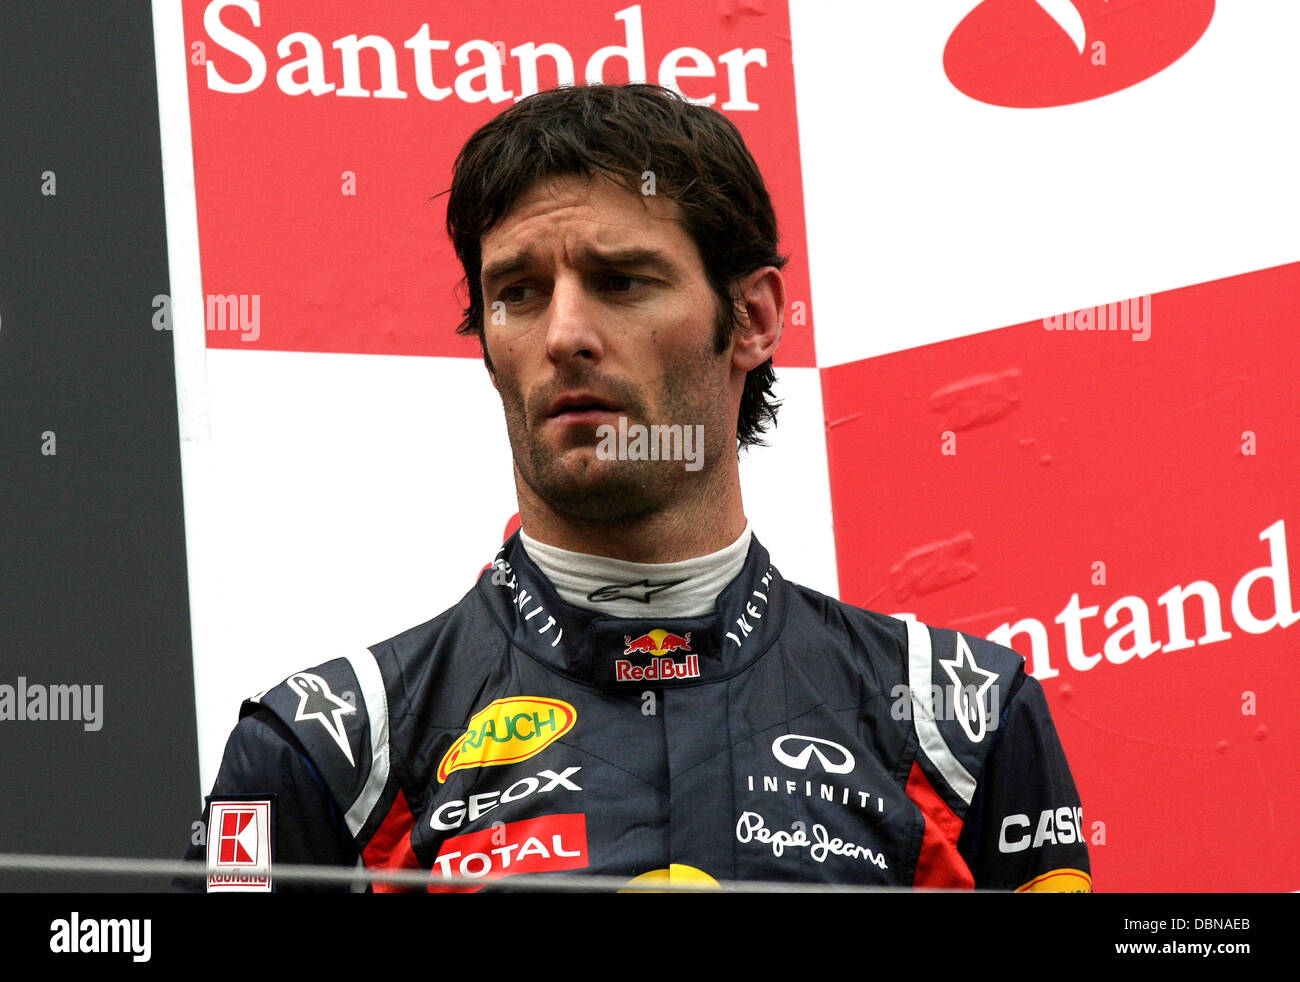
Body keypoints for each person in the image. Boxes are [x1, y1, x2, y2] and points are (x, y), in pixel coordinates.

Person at [181, 83, 1090, 893]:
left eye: (621, 281)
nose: (565, 333)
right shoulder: (322, 749)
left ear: (753, 317)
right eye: (520, 292)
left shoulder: (962, 718)